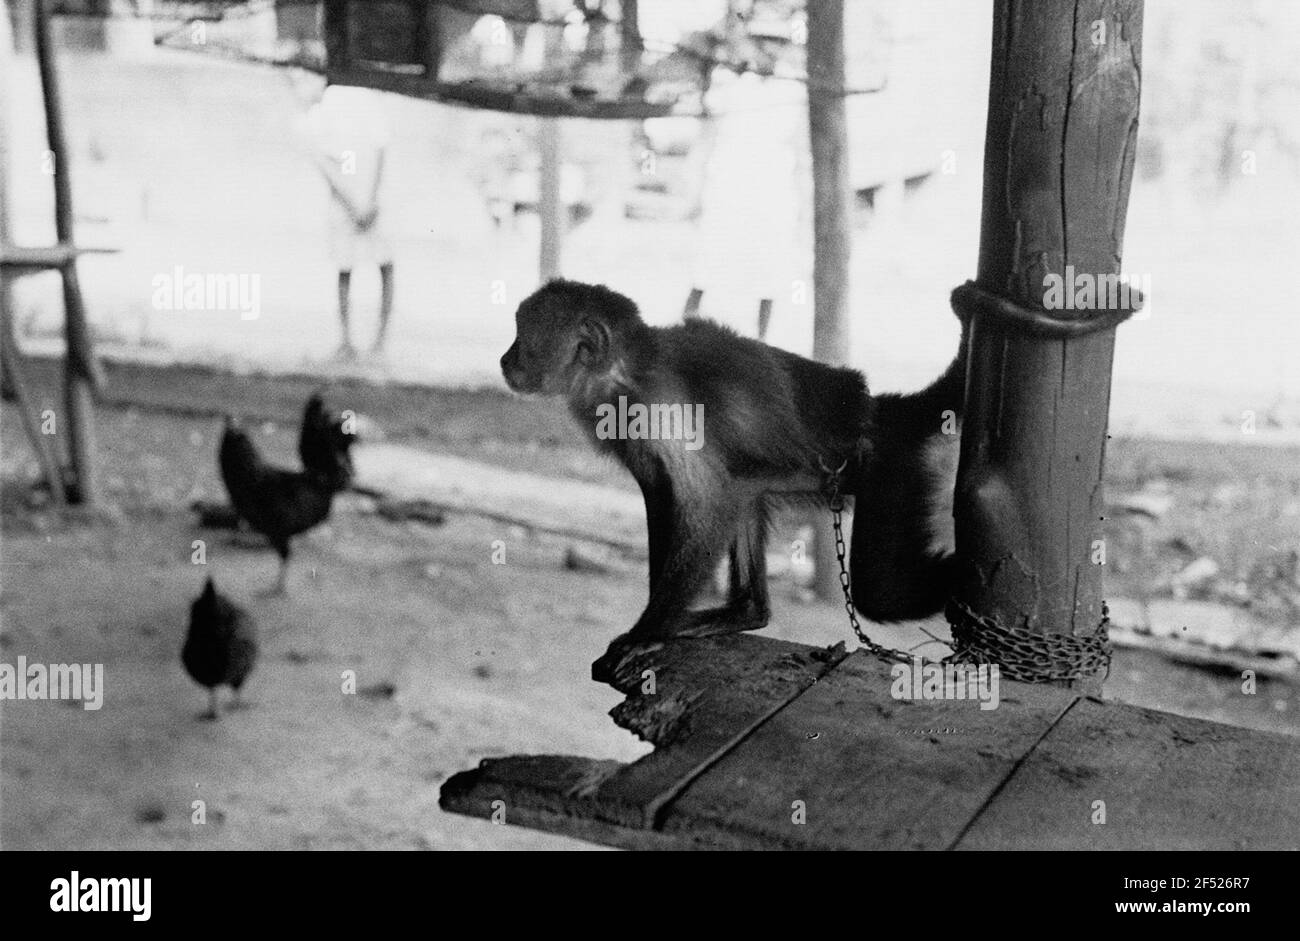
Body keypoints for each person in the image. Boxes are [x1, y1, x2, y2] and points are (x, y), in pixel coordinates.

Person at [293, 74, 395, 359]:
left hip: (358, 197)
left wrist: (361, 203)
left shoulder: (327, 106)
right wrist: (365, 202)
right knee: (367, 267)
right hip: (361, 197)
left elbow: (329, 164)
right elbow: (378, 146)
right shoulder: (352, 96)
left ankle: (362, 341)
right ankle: (367, 341)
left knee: (358, 268)